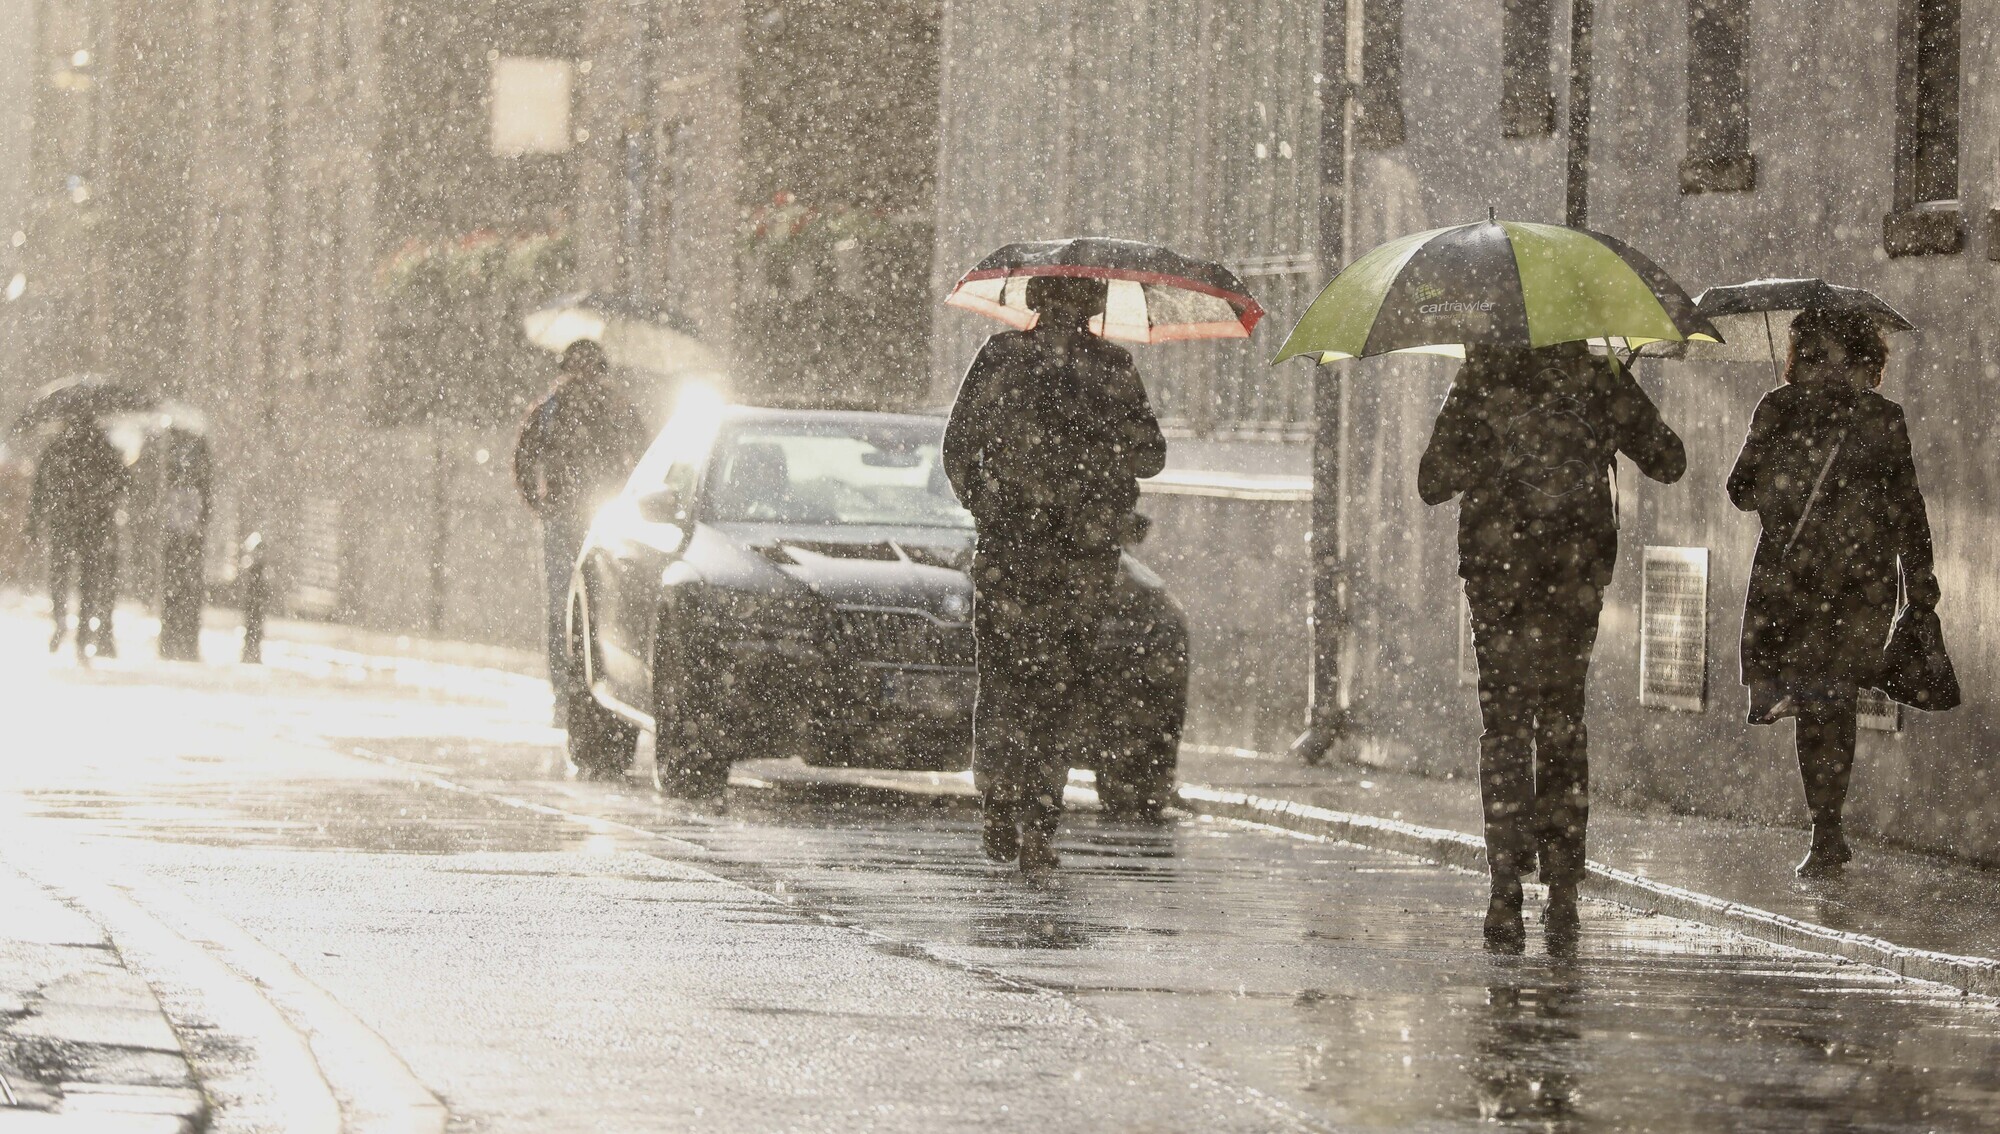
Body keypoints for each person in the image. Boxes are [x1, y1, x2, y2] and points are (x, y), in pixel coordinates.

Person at [1419, 341, 1685, 953]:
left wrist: (1488, 449)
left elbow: (1432, 480)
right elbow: (1670, 461)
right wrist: (1613, 412)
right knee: (1564, 721)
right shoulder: (1600, 374)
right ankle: (1563, 886)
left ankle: (1505, 887)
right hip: (1574, 575)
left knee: (1506, 727)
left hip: (1499, 577)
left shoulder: (1482, 375)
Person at [943, 275, 1167, 873]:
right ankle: (1037, 821)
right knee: (1058, 691)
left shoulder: (1001, 355)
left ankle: (1001, 801)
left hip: (1014, 552)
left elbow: (956, 447)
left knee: (1005, 681)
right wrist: (1106, 445)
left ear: (1033, 301)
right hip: (1078, 559)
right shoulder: (1113, 367)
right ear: (1097, 306)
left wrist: (988, 502)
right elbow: (1152, 454)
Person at [1727, 309, 1936, 879]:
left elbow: (1906, 505)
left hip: (1836, 586)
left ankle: (1826, 829)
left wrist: (1922, 586)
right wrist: (1783, 471)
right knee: (1820, 705)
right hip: (1822, 584)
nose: (1812, 367)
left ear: (1857, 359)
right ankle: (1827, 827)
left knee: (1826, 703)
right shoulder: (1791, 411)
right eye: (1806, 356)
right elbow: (1740, 490)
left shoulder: (1854, 417)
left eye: (1822, 355)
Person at [513, 340, 650, 722]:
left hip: (594, 518)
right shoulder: (556, 410)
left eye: (590, 368)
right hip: (575, 518)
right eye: (579, 368)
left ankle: (584, 689)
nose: (585, 376)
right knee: (570, 605)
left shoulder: (603, 409)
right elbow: (525, 458)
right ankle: (573, 692)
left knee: (581, 606)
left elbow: (642, 456)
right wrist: (540, 504)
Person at [28, 416, 132, 660]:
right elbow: (124, 482)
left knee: (60, 575)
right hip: (93, 524)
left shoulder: (58, 445)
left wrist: (34, 523)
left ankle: (61, 620)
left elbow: (40, 487)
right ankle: (83, 633)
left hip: (63, 521)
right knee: (89, 579)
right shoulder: (103, 445)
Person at [157, 433, 213, 661]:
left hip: (183, 534)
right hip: (188, 535)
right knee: (185, 586)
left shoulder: (172, 447)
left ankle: (174, 641)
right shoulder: (192, 449)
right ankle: (182, 641)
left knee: (177, 585)